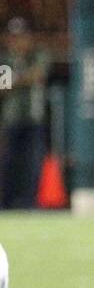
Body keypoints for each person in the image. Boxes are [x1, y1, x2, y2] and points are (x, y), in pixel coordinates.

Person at [0, 16, 52, 210]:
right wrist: (23, 79)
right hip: (11, 120)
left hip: (34, 119)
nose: (18, 41)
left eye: (21, 36)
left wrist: (14, 80)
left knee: (31, 164)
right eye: (14, 37)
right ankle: (6, 205)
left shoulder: (38, 54)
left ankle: (28, 204)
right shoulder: (5, 58)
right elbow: (2, 88)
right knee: (7, 164)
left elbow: (38, 74)